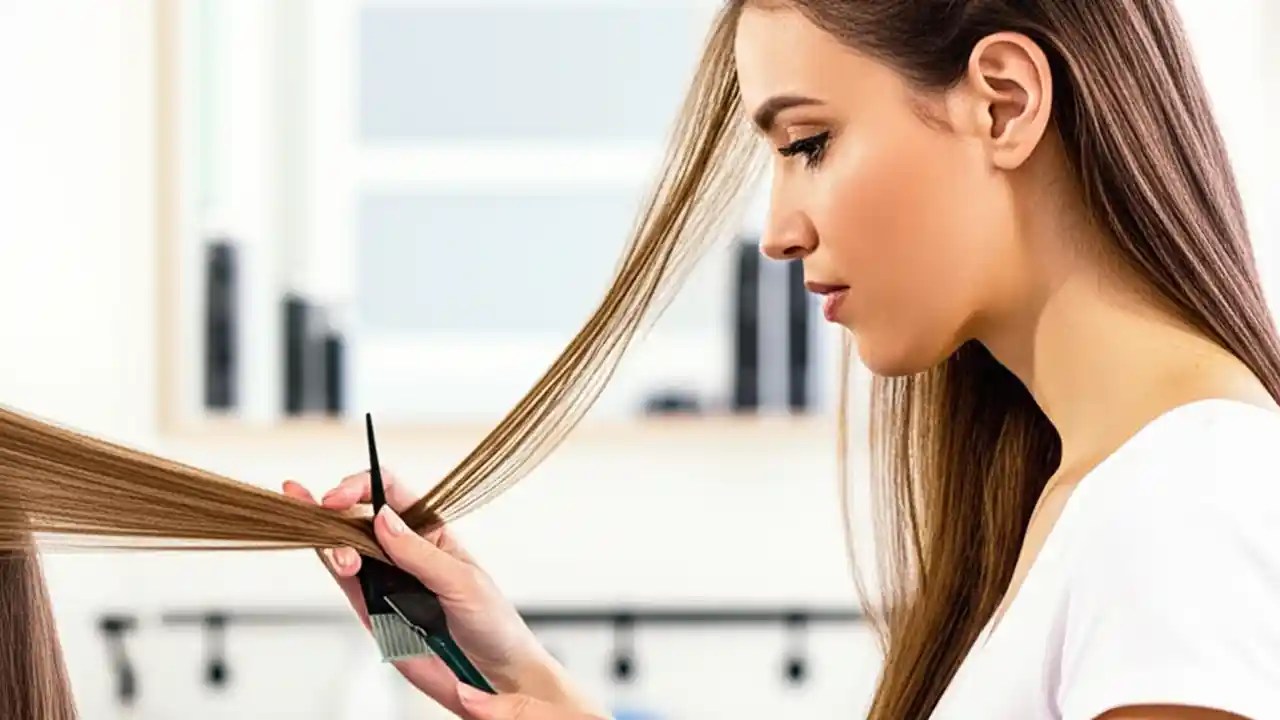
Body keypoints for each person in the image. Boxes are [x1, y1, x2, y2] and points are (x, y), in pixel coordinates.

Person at [288, 0, 1280, 718]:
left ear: (1003, 105)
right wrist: (528, 684)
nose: (777, 231)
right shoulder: (1094, 496)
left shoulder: (1184, 501)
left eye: (807, 143)